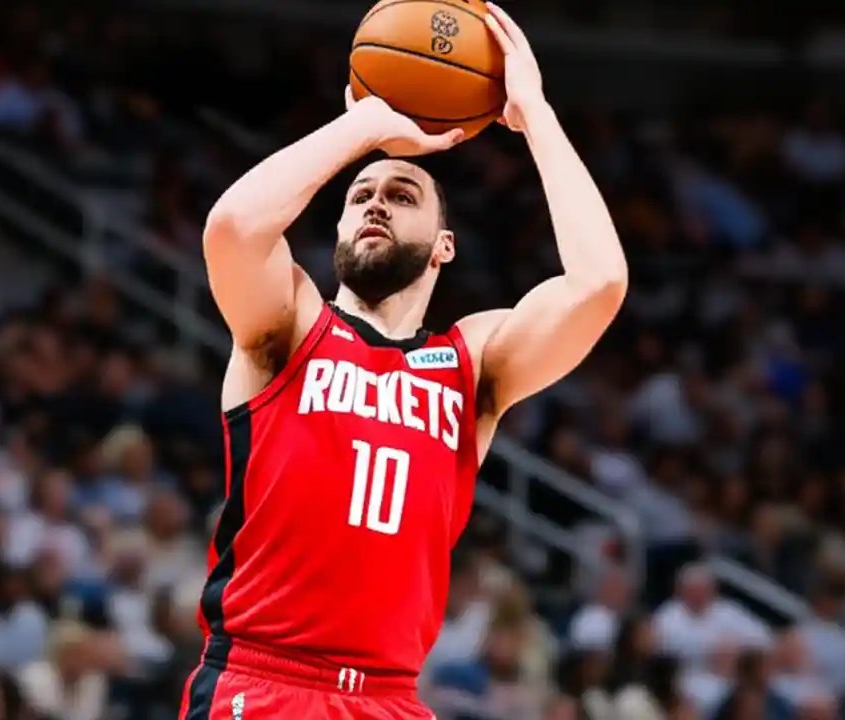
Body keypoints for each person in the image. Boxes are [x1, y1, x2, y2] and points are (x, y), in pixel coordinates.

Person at [181, 4, 628, 718]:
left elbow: (600, 284)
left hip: (391, 700)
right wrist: (365, 127)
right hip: (267, 681)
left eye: (401, 193)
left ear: (444, 245)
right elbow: (233, 227)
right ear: (336, 230)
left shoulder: (472, 364)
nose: (375, 204)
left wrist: (534, 113)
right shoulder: (289, 326)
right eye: (360, 195)